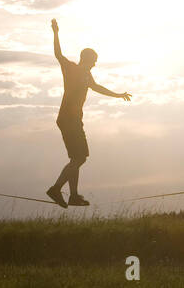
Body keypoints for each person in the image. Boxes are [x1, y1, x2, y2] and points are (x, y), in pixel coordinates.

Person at [46, 18, 131, 207]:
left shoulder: (86, 74)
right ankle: (56, 189)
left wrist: (118, 95)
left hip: (75, 120)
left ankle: (74, 196)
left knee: (76, 158)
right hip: (68, 119)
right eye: (94, 62)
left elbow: (97, 87)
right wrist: (56, 33)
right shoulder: (71, 69)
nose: (95, 65)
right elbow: (58, 54)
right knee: (80, 158)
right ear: (86, 59)